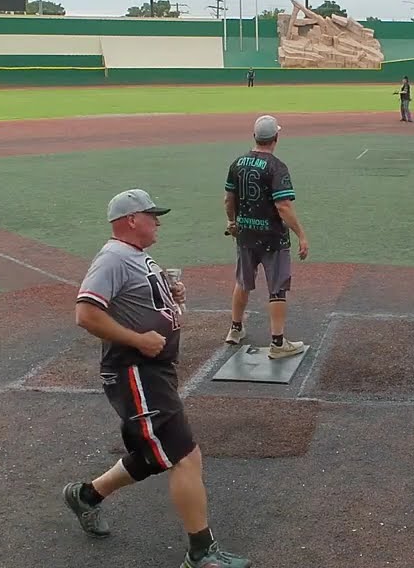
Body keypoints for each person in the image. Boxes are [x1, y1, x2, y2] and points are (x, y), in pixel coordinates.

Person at [62, 188, 251, 568]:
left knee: (154, 454)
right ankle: (201, 553)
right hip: (135, 371)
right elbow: (85, 314)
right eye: (152, 215)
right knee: (184, 455)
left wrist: (169, 292)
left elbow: (138, 298)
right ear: (131, 220)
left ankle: (86, 496)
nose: (158, 221)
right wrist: (138, 339)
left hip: (154, 371)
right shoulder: (112, 257)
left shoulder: (134, 255)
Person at [223, 115, 309, 357]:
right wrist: (301, 234)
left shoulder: (237, 163)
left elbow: (229, 199)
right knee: (277, 288)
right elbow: (283, 206)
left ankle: (235, 329)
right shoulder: (276, 167)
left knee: (242, 282)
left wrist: (232, 222)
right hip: (272, 237)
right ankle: (278, 343)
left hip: (245, 234)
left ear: (255, 137)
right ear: (276, 138)